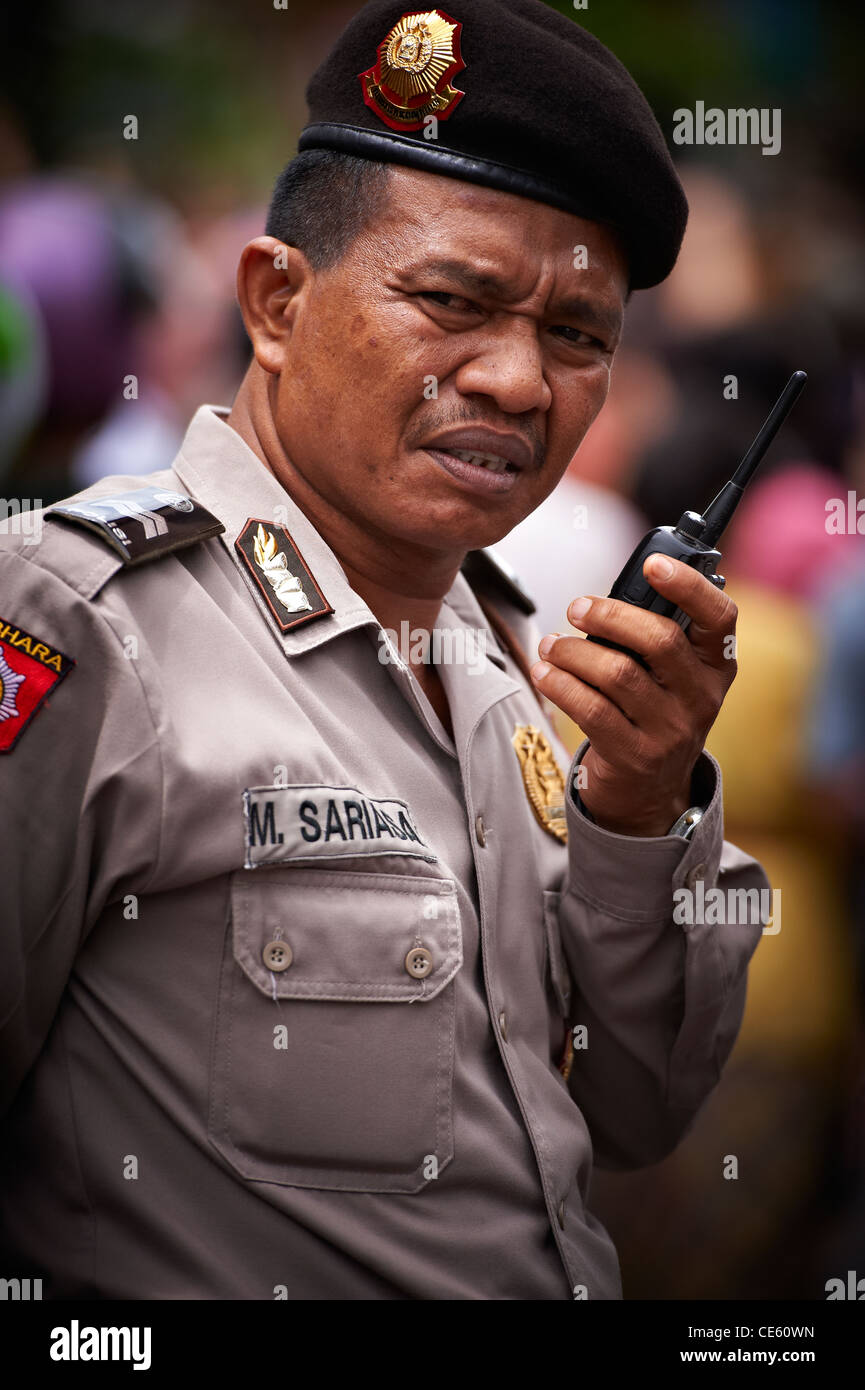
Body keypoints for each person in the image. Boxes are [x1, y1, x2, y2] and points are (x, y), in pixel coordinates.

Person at [0, 0, 769, 1300]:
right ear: (276, 302)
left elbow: (634, 1113)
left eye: (577, 336)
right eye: (453, 301)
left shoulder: (508, 646)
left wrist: (638, 811)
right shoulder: (80, 614)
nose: (519, 382)